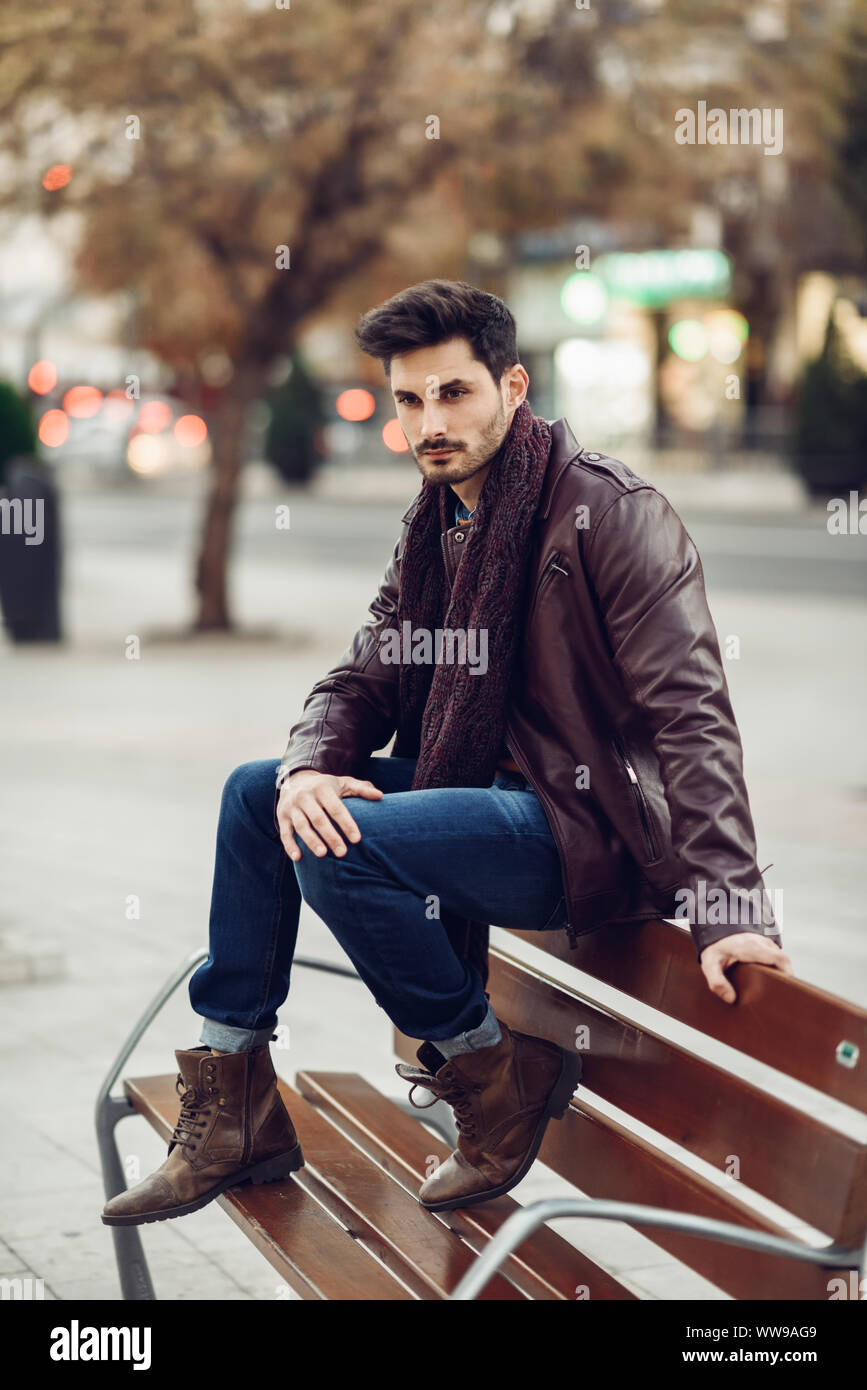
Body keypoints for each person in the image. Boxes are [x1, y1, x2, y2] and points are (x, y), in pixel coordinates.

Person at [102, 279, 793, 1228]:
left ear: (512, 387)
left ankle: (487, 1074)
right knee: (258, 796)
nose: (431, 420)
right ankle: (237, 1107)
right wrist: (306, 764)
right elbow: (364, 678)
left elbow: (692, 714)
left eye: (454, 393)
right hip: (473, 800)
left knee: (342, 843)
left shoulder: (611, 512)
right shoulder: (435, 526)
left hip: (578, 828)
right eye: (409, 400)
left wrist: (728, 905)